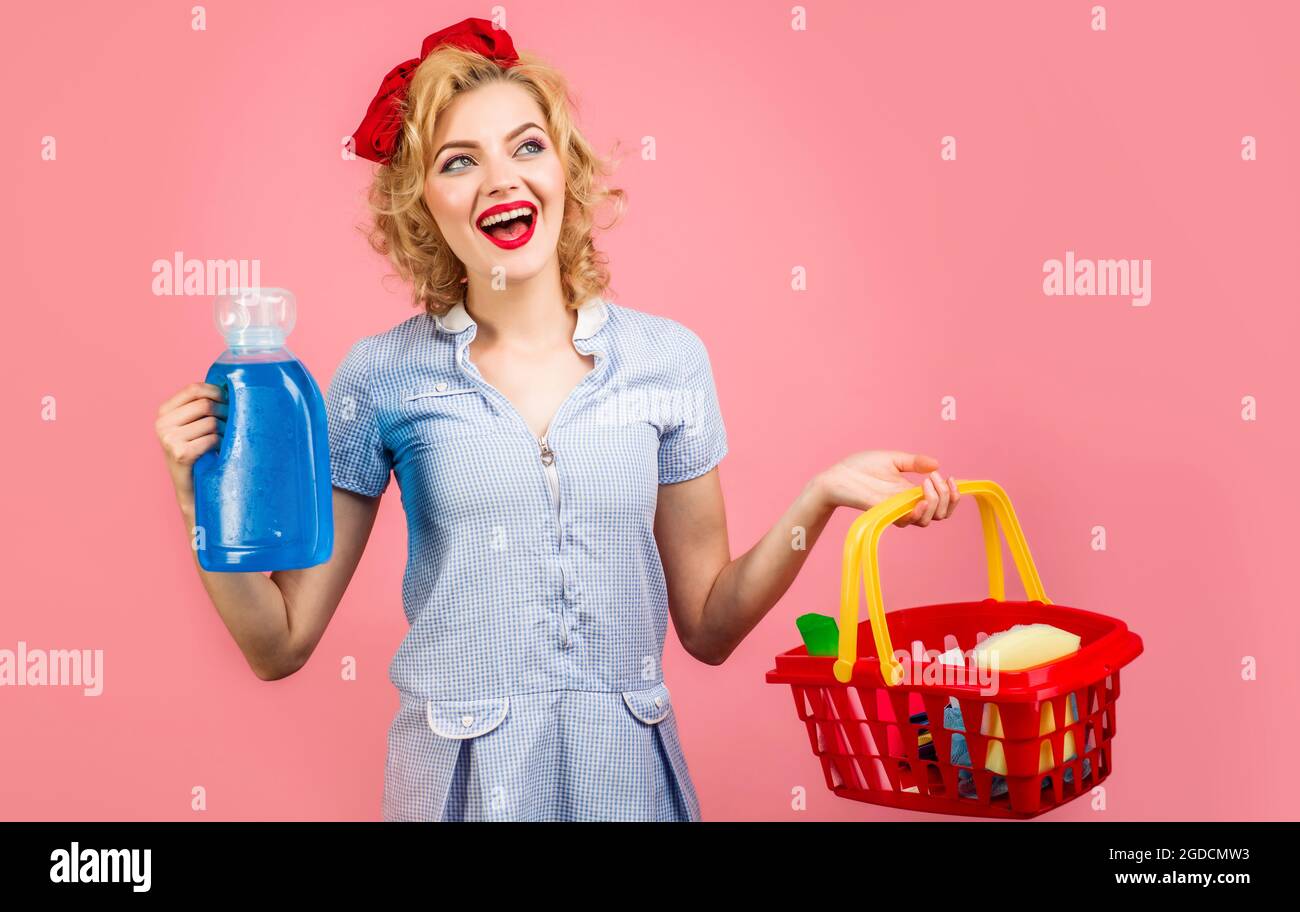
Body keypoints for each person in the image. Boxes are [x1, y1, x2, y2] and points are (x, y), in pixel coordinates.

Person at [152, 18, 961, 821]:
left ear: (565, 169)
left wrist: (816, 501)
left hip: (628, 791)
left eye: (526, 146)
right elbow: (278, 646)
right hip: (457, 796)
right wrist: (200, 504)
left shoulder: (667, 362)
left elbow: (710, 628)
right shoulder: (380, 377)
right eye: (459, 161)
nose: (501, 178)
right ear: (421, 203)